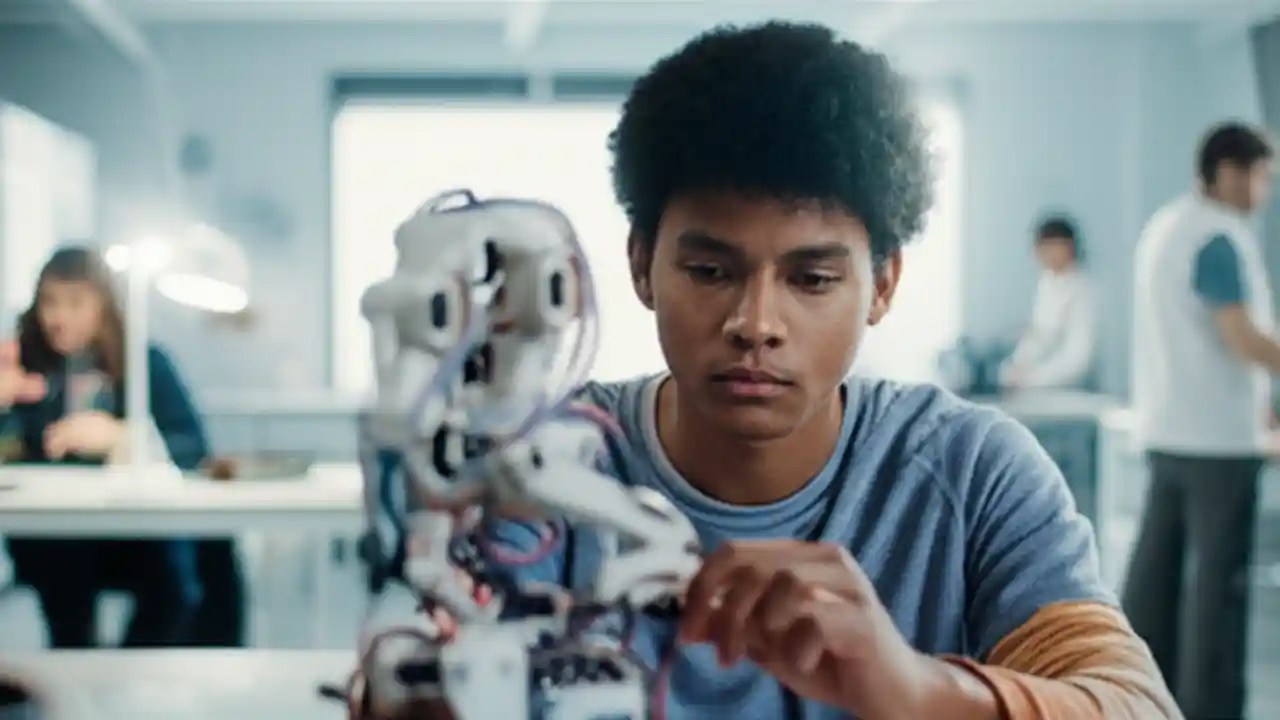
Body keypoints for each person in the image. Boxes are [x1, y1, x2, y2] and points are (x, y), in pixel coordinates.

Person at [425, 22, 1180, 720]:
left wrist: (916, 690)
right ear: (641, 266)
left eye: (811, 280)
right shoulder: (544, 462)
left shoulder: (973, 471)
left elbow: (1135, 704)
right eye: (711, 270)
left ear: (882, 285)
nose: (756, 323)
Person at [0, 246, 240, 647]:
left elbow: (191, 447)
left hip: (131, 532)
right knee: (67, 599)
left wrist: (122, 437)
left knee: (184, 579)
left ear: (104, 305)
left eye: (75, 302)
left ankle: (132, 683)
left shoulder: (145, 362)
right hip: (52, 535)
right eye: (49, 302)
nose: (58, 318)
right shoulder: (19, 366)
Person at [1126, 121, 1274, 718]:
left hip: (1167, 431)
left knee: (1155, 586)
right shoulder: (1219, 237)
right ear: (1232, 172)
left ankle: (1136, 699)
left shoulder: (1166, 227)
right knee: (1218, 594)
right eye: (1265, 177)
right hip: (1219, 443)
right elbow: (1239, 336)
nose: (1266, 192)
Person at [999, 216, 1096, 391]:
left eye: (1052, 247)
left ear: (1069, 247)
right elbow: (1038, 339)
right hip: (1038, 388)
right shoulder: (1048, 284)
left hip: (1068, 392)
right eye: (1040, 248)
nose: (1044, 254)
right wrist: (1015, 368)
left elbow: (1077, 360)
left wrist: (1032, 379)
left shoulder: (1082, 291)